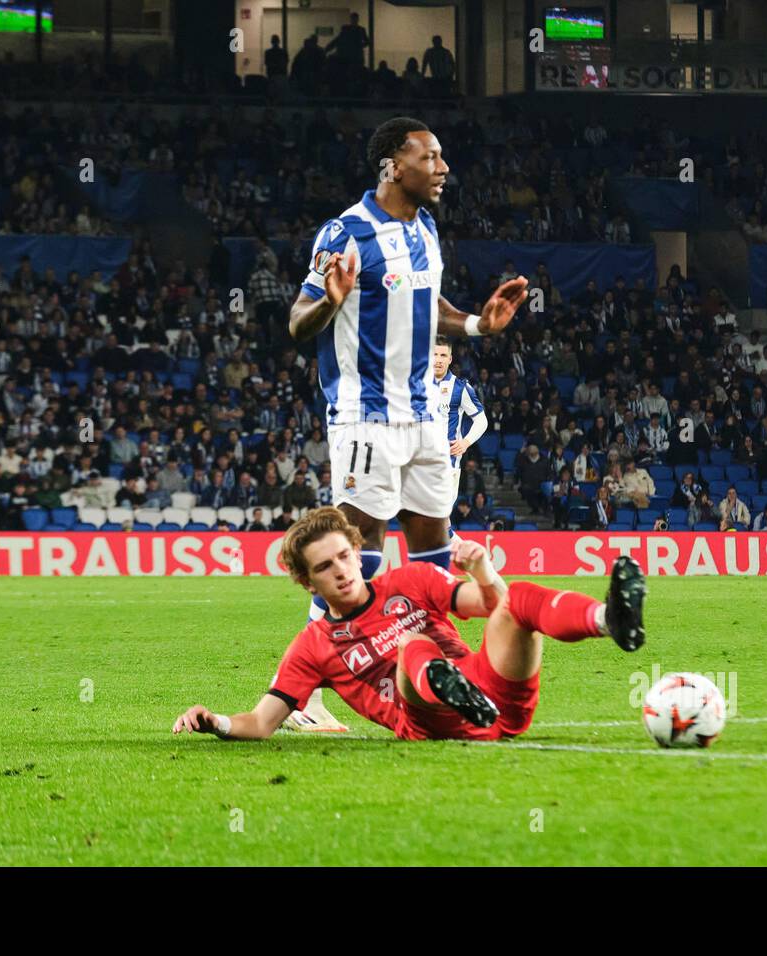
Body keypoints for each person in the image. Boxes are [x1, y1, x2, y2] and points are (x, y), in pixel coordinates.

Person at [286, 116, 528, 731]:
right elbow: (297, 322)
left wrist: (479, 325)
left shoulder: (426, 230)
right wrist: (332, 301)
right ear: (395, 165)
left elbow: (430, 305)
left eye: (443, 157)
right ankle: (305, 696)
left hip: (424, 418)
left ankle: (452, 672)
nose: (443, 167)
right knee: (354, 560)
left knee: (434, 562)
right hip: (367, 417)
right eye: (431, 157)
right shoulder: (347, 232)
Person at [172, 507, 647, 742]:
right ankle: (451, 690)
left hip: (498, 698)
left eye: (344, 556)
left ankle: (611, 619)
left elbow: (496, 607)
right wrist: (215, 722)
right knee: (415, 646)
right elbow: (261, 722)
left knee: (517, 596)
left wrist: (481, 570)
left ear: (358, 553)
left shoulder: (412, 579)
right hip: (427, 721)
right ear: (306, 581)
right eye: (324, 567)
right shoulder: (313, 645)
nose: (340, 570)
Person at [431, 337, 487, 516]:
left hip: (447, 463)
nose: (438, 359)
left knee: (439, 520)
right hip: (419, 461)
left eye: (443, 355)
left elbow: (482, 420)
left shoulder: (460, 387)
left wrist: (466, 442)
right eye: (434, 355)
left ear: (450, 359)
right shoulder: (417, 385)